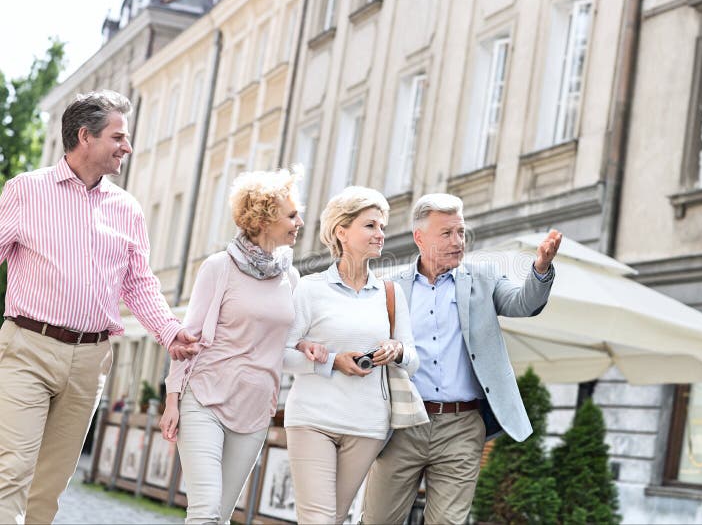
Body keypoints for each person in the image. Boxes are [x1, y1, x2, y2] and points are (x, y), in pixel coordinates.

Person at [0, 90, 199, 524]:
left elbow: (138, 282)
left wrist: (169, 331)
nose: (127, 147)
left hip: (91, 360)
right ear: (85, 136)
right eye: (118, 137)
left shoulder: (126, 209)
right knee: (11, 470)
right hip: (27, 349)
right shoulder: (25, 190)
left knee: (49, 486)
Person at [362, 193, 562, 524]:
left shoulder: (484, 278)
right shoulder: (389, 288)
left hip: (462, 426)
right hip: (402, 424)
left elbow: (522, 304)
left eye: (461, 232)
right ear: (419, 238)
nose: (458, 241)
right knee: (377, 520)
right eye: (447, 233)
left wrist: (540, 269)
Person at [159, 169, 305, 524]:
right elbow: (187, 340)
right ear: (263, 219)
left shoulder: (291, 277)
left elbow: (286, 346)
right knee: (206, 511)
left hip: (254, 411)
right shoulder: (219, 267)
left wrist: (319, 354)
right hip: (204, 400)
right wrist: (173, 399)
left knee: (221, 516)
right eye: (291, 215)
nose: (299, 221)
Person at [282, 186, 420, 524]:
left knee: (337, 517)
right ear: (341, 232)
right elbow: (281, 355)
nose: (380, 234)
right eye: (370, 225)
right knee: (318, 519)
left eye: (382, 226)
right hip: (312, 420)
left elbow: (412, 359)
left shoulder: (390, 293)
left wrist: (397, 350)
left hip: (367, 424)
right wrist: (332, 362)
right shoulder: (311, 289)